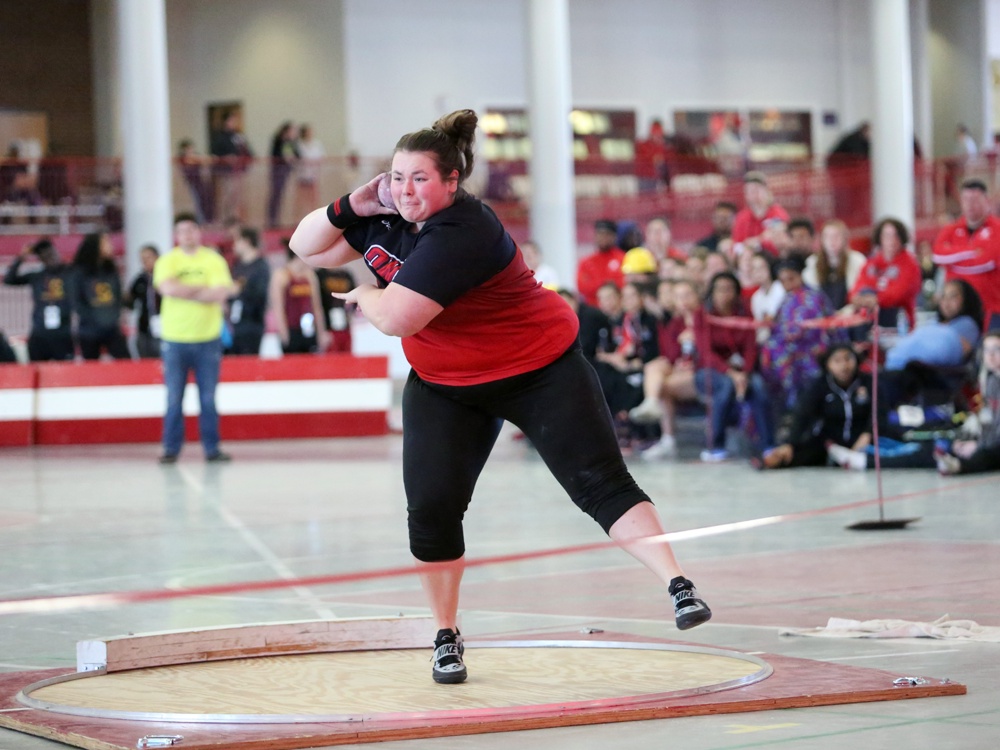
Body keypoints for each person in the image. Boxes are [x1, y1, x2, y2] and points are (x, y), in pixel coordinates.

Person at [288, 109, 712, 684]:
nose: (405, 190)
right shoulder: (385, 213)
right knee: (432, 510)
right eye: (396, 176)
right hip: (447, 385)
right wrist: (350, 206)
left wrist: (364, 292)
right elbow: (305, 246)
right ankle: (445, 636)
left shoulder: (465, 229)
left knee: (600, 483)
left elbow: (398, 318)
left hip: (538, 370)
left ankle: (677, 584)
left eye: (419, 178)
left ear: (451, 182)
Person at [153, 212, 236, 464]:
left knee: (208, 399)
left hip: (208, 339)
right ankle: (170, 448)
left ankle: (212, 448)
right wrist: (202, 289)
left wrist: (184, 290)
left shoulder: (214, 260)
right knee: (173, 398)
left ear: (199, 232)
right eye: (182, 231)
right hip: (175, 340)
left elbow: (220, 293)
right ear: (176, 235)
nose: (187, 235)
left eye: (191, 229)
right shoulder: (167, 261)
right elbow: (167, 288)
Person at [756, 344, 880, 470]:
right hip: (829, 444)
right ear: (827, 364)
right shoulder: (820, 385)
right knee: (795, 453)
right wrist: (790, 443)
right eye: (837, 361)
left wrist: (868, 434)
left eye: (848, 359)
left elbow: (879, 413)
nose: (844, 366)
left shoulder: (869, 382)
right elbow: (803, 415)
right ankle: (773, 458)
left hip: (863, 443)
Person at [762, 256, 844, 412]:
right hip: (788, 350)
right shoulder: (786, 299)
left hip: (812, 349)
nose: (787, 283)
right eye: (783, 280)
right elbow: (779, 328)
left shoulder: (813, 297)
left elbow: (823, 326)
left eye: (791, 278)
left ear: (799, 275)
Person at [932, 178, 1000, 331]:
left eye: (975, 200)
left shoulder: (997, 229)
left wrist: (954, 262)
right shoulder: (950, 229)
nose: (970, 205)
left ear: (986, 201)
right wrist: (970, 252)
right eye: (966, 199)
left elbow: (987, 261)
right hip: (956, 310)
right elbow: (937, 256)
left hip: (991, 308)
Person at [935, 331, 1000, 475]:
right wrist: (968, 440)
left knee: (989, 453)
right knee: (951, 444)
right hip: (989, 440)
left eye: (996, 349)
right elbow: (988, 422)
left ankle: (960, 466)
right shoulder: (990, 381)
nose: (991, 355)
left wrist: (978, 445)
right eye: (987, 350)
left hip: (995, 446)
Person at [885, 279, 983, 371]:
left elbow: (948, 351)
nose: (946, 302)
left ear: (966, 299)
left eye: (953, 297)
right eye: (943, 297)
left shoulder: (968, 325)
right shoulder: (935, 323)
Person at [3, 239, 76, 361]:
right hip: (40, 334)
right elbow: (9, 280)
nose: (50, 257)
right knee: (36, 370)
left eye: (51, 253)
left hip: (63, 334)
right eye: (45, 255)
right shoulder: (36, 276)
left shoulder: (69, 273)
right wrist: (21, 257)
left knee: (65, 373)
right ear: (41, 258)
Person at [850, 217, 922, 331]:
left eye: (896, 236)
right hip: (870, 317)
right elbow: (858, 286)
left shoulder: (910, 264)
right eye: (887, 236)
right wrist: (857, 298)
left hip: (897, 319)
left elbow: (898, 294)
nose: (892, 240)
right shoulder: (871, 262)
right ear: (880, 238)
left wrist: (876, 299)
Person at [71, 233, 130, 360]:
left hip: (112, 328)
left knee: (125, 362)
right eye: (106, 242)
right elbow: (76, 301)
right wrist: (96, 321)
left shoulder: (111, 270)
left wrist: (114, 316)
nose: (111, 246)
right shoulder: (80, 272)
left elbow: (118, 297)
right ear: (96, 246)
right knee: (91, 371)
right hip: (89, 332)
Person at [270, 242, 329, 354]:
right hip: (291, 329)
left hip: (309, 329)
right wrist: (283, 332)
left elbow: (317, 306)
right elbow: (278, 308)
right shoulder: (281, 275)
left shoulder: (310, 276)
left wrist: (321, 332)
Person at [803, 219, 867, 311]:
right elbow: (811, 296)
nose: (832, 241)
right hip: (822, 315)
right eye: (827, 237)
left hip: (849, 315)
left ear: (845, 239)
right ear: (821, 240)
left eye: (836, 236)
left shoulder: (857, 261)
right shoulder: (812, 263)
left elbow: (860, 295)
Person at [227, 227, 271, 356]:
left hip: (252, 322)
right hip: (236, 322)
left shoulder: (260, 267)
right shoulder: (238, 266)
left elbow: (260, 295)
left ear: (246, 242)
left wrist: (239, 291)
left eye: (237, 241)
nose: (234, 246)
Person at [731, 171, 790, 257]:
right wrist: (761, 239)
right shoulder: (742, 217)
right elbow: (738, 245)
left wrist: (755, 242)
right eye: (750, 190)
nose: (754, 193)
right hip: (748, 258)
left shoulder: (777, 213)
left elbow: (777, 240)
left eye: (757, 189)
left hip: (773, 258)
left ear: (767, 191)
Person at [210, 110, 253, 222]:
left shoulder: (238, 136)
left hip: (238, 171)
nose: (234, 123)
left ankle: (236, 219)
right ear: (226, 122)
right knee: (227, 197)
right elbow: (214, 153)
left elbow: (248, 151)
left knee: (238, 197)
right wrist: (226, 158)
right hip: (226, 172)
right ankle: (225, 219)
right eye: (231, 120)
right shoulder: (219, 137)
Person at [124, 244, 162, 359]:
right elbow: (130, 301)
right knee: (144, 355)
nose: (145, 261)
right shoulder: (140, 280)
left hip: (164, 325)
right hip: (144, 326)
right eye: (142, 259)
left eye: (148, 257)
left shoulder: (166, 277)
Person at [576, 219, 625, 305]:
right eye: (600, 234)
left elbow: (623, 284)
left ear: (614, 236)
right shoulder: (585, 262)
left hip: (618, 308)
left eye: (607, 234)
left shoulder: (623, 258)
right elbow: (582, 287)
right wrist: (607, 283)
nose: (603, 237)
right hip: (592, 309)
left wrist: (597, 284)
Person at [315, 266, 356, 353]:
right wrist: (321, 331)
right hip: (328, 327)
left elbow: (354, 301)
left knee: (346, 358)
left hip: (344, 326)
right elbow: (317, 305)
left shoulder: (346, 275)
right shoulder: (320, 275)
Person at [267, 122, 300, 228]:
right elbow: (278, 155)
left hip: (287, 172)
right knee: (276, 195)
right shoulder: (279, 141)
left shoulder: (292, 143)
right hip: (278, 172)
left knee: (286, 197)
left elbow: (298, 155)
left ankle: (286, 219)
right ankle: (273, 220)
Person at [295, 123, 326, 218]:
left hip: (313, 174)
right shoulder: (298, 144)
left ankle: (314, 217)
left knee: (314, 198)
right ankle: (300, 217)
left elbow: (322, 156)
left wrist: (315, 163)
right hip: (302, 175)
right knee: (301, 198)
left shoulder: (317, 143)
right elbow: (296, 158)